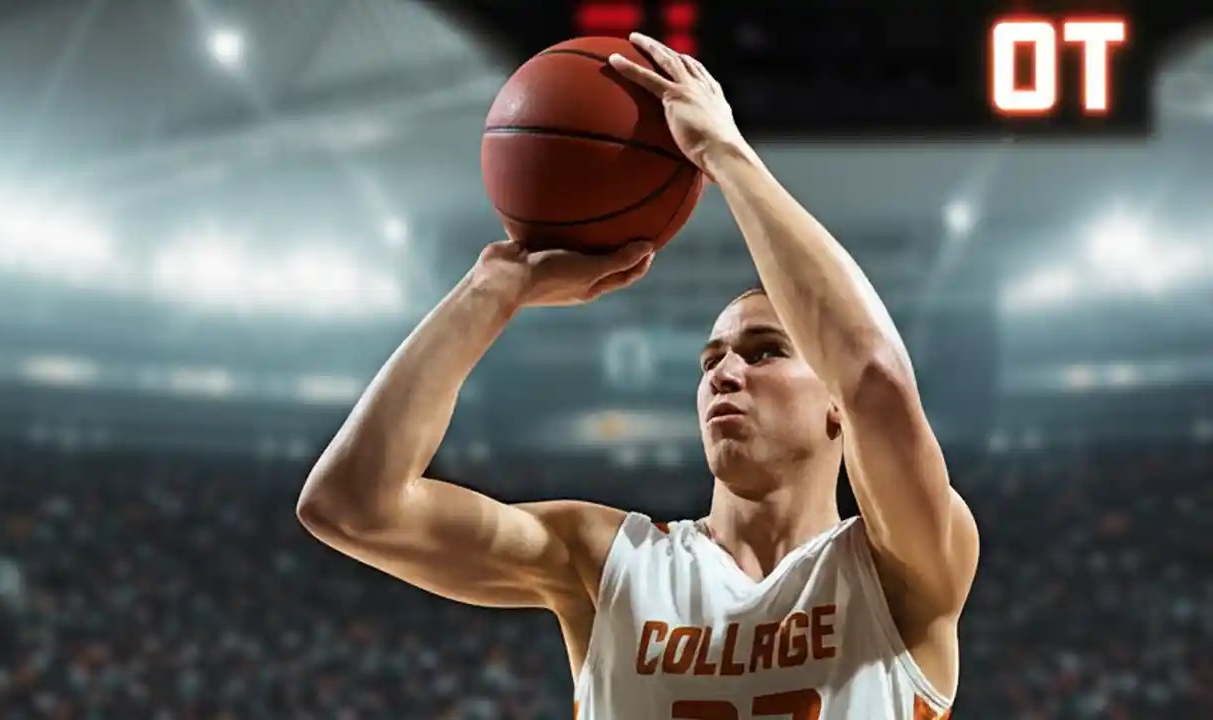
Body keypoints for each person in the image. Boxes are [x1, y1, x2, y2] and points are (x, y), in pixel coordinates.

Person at [296, 33, 978, 720]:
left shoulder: (901, 565)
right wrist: (490, 290)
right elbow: (351, 505)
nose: (725, 373)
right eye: (711, 360)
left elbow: (876, 379)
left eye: (764, 351)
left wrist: (725, 153)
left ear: (836, 404)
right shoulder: (608, 563)